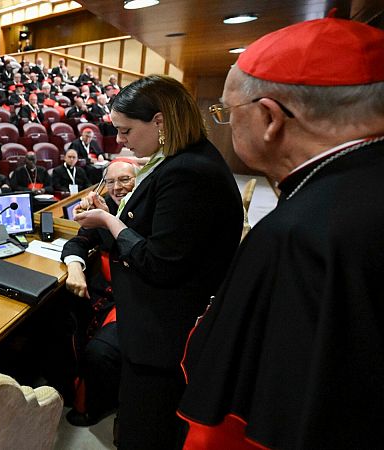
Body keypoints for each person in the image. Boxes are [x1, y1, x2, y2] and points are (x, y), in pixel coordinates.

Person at [178, 18, 384, 449]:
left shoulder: (297, 237)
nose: (226, 123)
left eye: (227, 112)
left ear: (270, 117)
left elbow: (245, 424)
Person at [72, 74, 242, 449]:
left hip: (164, 334)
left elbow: (160, 260)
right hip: (153, 323)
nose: (120, 141)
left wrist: (108, 220)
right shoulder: (178, 159)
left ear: (160, 122)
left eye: (126, 130)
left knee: (146, 432)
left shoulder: (187, 171)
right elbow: (154, 227)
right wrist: (111, 212)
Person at [59, 161, 137, 428]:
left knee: (100, 352)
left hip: (133, 298)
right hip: (102, 293)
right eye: (112, 181)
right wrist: (74, 267)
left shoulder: (146, 210)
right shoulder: (103, 206)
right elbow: (78, 241)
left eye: (125, 180)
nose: (117, 188)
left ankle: (96, 405)